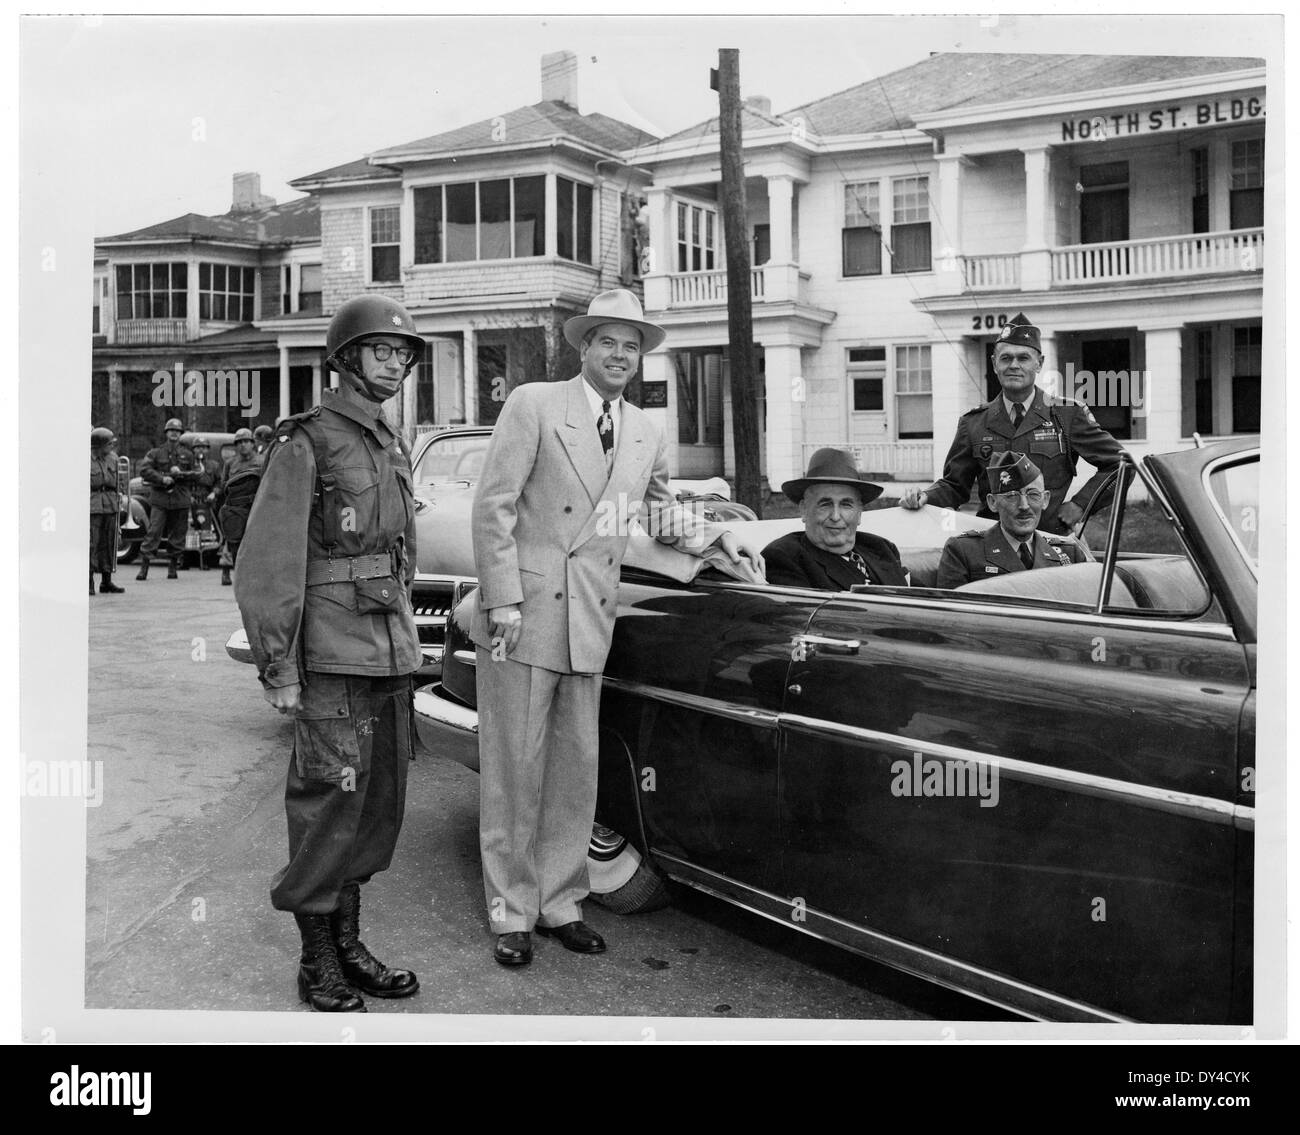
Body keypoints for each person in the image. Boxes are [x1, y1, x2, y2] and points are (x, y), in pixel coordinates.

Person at [470, 288, 757, 967]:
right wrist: (504, 599)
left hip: (589, 618)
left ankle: (561, 901)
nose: (621, 355)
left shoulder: (645, 430)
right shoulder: (534, 404)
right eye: (609, 342)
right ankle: (511, 910)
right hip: (525, 614)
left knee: (576, 771)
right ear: (585, 346)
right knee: (516, 769)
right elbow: (494, 507)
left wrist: (718, 540)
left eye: (632, 346)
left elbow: (658, 514)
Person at [234, 294, 425, 1012]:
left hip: (387, 653)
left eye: (403, 354)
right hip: (330, 655)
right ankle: (317, 957)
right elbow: (267, 561)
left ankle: (348, 942)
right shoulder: (305, 441)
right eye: (381, 350)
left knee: (376, 806)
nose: (395, 364)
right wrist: (278, 664)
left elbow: (399, 554)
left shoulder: (388, 441)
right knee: (326, 804)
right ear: (345, 359)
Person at [900, 313, 1126, 535]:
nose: (1014, 365)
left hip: (1050, 541)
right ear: (994, 364)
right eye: (1006, 358)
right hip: (992, 546)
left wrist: (1080, 505)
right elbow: (955, 485)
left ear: (1039, 364)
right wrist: (926, 495)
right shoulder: (973, 423)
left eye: (1023, 358)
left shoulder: (1066, 415)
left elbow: (1122, 464)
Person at [935, 451, 1089, 589]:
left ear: (1045, 500)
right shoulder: (963, 552)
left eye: (1033, 495)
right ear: (992, 503)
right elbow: (951, 619)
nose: (1024, 506)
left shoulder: (1070, 554)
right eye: (1012, 496)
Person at [762, 448, 908, 590]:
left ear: (859, 512)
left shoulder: (880, 548)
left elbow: (922, 596)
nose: (836, 516)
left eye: (846, 505)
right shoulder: (784, 558)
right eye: (825, 504)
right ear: (804, 510)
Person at [136, 417, 197, 580]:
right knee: (154, 531)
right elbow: (144, 469)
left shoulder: (188, 455)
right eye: (171, 431)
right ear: (166, 433)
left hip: (180, 498)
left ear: (181, 434)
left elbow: (196, 475)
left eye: (177, 431)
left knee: (178, 534)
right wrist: (161, 478)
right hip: (160, 498)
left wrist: (181, 474)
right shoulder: (155, 453)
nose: (174, 434)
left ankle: (173, 566)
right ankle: (144, 567)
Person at [215, 428, 261, 586]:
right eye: (239, 442)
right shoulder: (230, 463)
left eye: (246, 441)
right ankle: (227, 571)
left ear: (252, 444)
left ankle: (252, 575)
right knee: (232, 539)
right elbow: (223, 485)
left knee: (255, 540)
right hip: (235, 506)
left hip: (255, 505)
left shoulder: (262, 461)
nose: (243, 445)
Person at [90, 427, 125, 596]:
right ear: (98, 445)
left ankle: (106, 581)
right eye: (109, 444)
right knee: (92, 544)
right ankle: (88, 582)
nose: (112, 446)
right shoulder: (85, 459)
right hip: (93, 505)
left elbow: (120, 482)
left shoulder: (114, 459)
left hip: (110, 504)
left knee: (109, 543)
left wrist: (121, 499)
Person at [189, 436, 222, 571]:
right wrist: (188, 496)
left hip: (206, 502)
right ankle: (187, 559)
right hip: (191, 501)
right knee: (190, 532)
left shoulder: (214, 466)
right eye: (198, 447)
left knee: (206, 531)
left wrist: (214, 493)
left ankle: (206, 559)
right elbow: (183, 482)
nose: (201, 450)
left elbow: (219, 482)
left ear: (208, 450)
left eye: (204, 447)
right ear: (193, 450)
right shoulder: (189, 465)